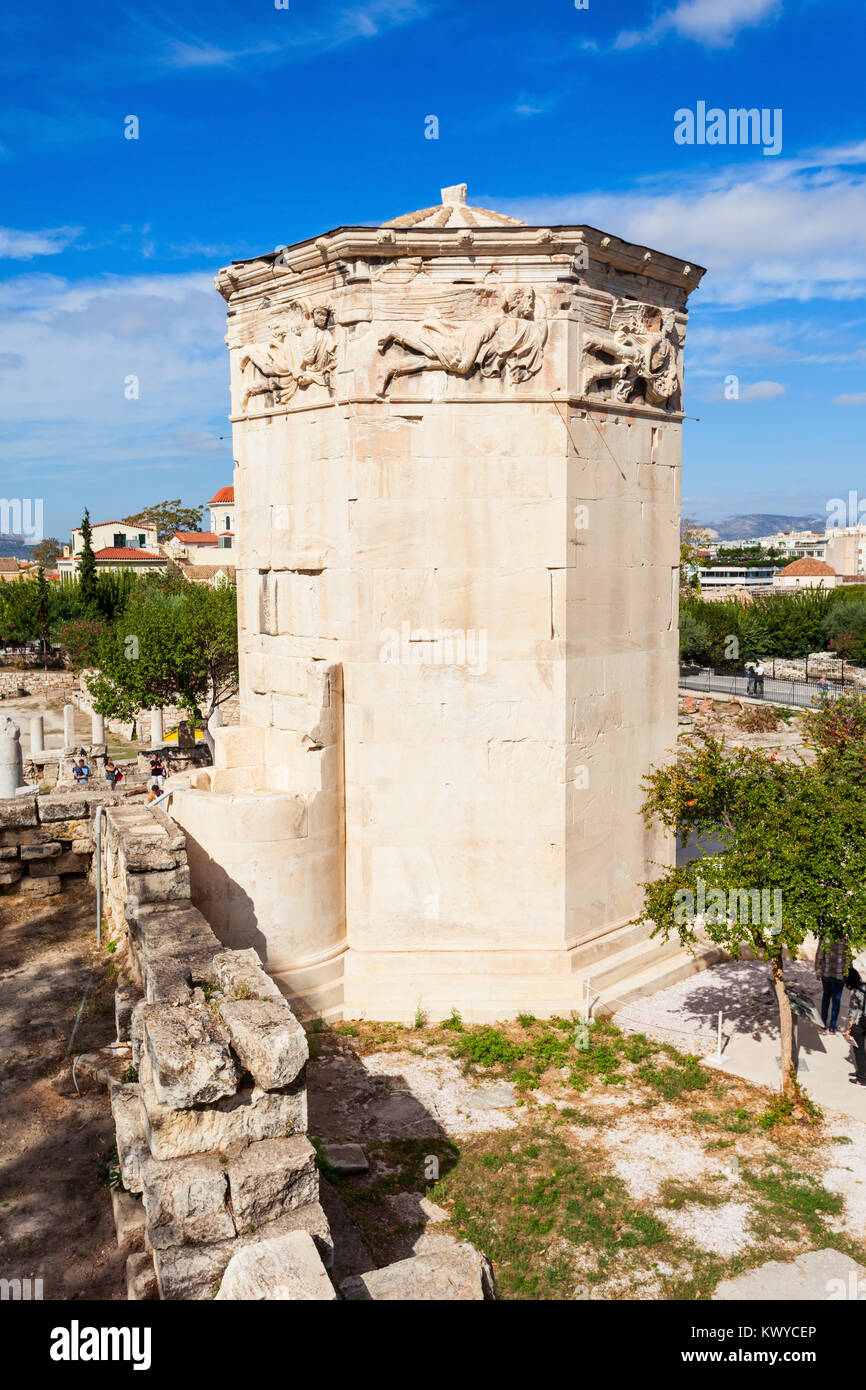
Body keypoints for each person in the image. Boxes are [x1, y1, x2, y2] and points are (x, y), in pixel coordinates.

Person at [815, 936, 849, 1033]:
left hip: (826, 973)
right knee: (836, 999)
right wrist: (848, 973)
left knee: (826, 996)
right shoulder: (844, 939)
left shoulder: (825, 938)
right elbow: (848, 958)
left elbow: (819, 957)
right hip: (840, 974)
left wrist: (817, 971)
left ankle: (823, 1023)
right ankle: (832, 1027)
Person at [843, 967, 866, 1086]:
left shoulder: (855, 991)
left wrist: (848, 1030)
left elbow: (852, 1014)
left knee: (859, 1049)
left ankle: (862, 1078)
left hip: (860, 1022)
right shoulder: (864, 986)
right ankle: (862, 1072)